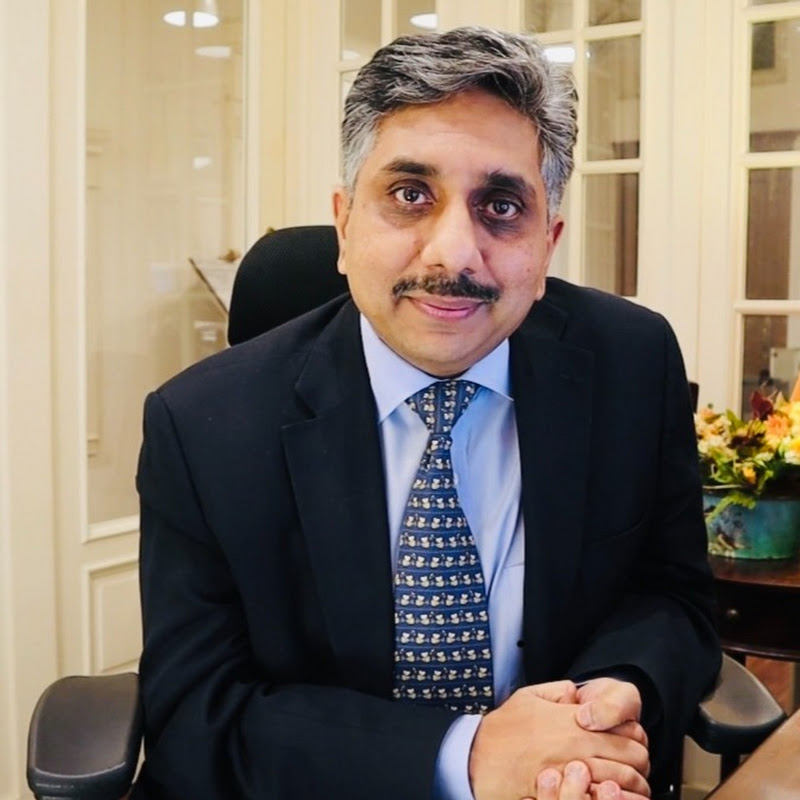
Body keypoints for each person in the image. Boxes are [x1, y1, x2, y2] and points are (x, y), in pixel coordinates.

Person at [132, 26, 720, 800]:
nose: (453, 254)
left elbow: (674, 597)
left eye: (501, 206)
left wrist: (609, 700)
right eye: (411, 195)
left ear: (547, 244)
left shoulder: (632, 363)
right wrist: (467, 756)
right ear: (345, 224)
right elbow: (195, 715)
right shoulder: (202, 426)